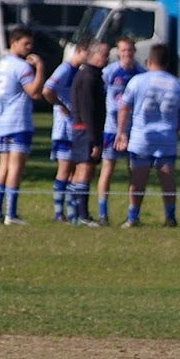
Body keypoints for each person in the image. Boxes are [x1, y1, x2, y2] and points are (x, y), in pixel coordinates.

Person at [115, 43, 180, 228]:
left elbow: (124, 106)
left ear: (149, 61)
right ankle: (170, 217)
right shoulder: (176, 84)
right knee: (167, 178)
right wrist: (175, 127)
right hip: (166, 137)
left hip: (141, 137)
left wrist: (121, 132)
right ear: (167, 63)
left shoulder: (137, 81)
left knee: (138, 178)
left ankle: (133, 217)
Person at [0, 24, 46, 225]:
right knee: (16, 167)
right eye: (25, 43)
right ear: (14, 43)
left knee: (3, 166)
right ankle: (11, 214)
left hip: (3, 120)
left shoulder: (4, 63)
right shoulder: (22, 66)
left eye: (31, 43)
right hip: (19, 121)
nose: (29, 47)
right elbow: (34, 92)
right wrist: (39, 68)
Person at [97, 36, 143, 225]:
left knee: (135, 171)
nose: (127, 54)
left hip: (134, 130)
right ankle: (102, 212)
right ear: (118, 52)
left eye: (130, 50)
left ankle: (133, 215)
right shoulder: (109, 72)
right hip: (111, 128)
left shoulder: (141, 73)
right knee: (108, 168)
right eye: (123, 50)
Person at [65, 40, 110, 226]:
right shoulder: (88, 78)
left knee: (83, 170)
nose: (107, 58)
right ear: (94, 55)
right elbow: (88, 110)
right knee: (85, 169)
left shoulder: (93, 76)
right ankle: (82, 215)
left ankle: (74, 213)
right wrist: (94, 139)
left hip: (84, 129)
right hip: (85, 130)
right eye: (104, 54)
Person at [41, 42, 86, 222]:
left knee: (74, 169)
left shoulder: (77, 70)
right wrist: (60, 105)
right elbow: (47, 89)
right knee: (65, 168)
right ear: (80, 52)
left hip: (74, 127)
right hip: (64, 128)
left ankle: (71, 211)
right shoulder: (65, 68)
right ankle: (59, 213)